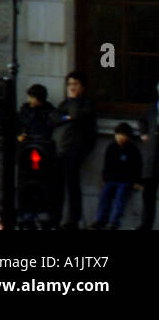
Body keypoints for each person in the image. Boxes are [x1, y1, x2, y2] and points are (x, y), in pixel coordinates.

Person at [54, 71, 96, 230]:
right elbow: (55, 118)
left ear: (82, 87)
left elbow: (76, 115)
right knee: (57, 187)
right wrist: (67, 117)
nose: (71, 87)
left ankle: (72, 220)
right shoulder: (64, 104)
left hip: (74, 151)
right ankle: (56, 218)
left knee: (72, 186)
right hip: (60, 150)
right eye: (69, 84)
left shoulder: (86, 104)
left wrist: (70, 111)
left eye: (75, 84)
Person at [92, 122, 142, 230]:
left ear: (128, 137)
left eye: (123, 135)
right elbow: (107, 164)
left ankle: (114, 222)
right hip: (111, 179)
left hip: (125, 181)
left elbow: (137, 167)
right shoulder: (112, 147)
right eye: (118, 135)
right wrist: (104, 178)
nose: (120, 137)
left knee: (120, 200)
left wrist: (137, 182)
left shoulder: (132, 149)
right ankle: (100, 220)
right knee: (104, 198)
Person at [139, 82, 159, 230]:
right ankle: (146, 224)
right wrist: (144, 133)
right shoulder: (152, 108)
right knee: (148, 194)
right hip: (152, 157)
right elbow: (142, 120)